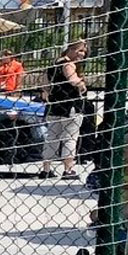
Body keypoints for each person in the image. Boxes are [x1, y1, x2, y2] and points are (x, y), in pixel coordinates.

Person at [41, 40, 90, 180]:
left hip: (55, 105)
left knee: (52, 137)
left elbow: (45, 85)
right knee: (70, 137)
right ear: (71, 49)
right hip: (71, 106)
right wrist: (81, 84)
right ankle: (68, 169)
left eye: (84, 52)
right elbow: (72, 80)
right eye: (80, 50)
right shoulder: (68, 64)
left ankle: (46, 169)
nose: (82, 54)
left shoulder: (53, 64)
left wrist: (48, 95)